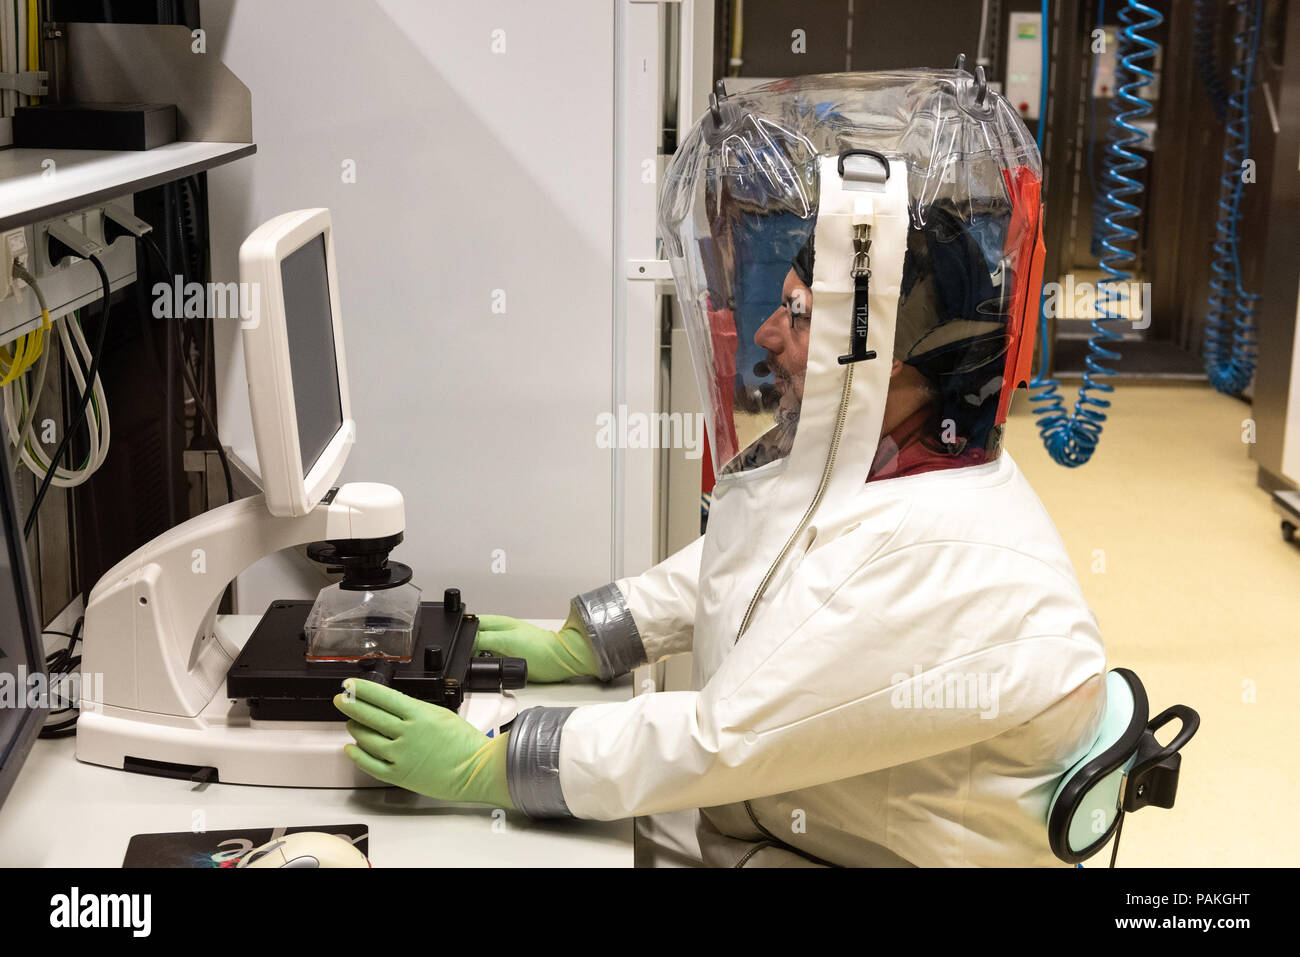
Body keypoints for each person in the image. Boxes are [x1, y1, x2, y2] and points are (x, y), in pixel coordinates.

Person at [334, 70, 1107, 867]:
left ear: (894, 365)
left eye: (801, 316)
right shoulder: (892, 467)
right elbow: (780, 555)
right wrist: (597, 635)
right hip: (794, 821)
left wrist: (494, 760)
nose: (768, 335)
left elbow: (724, 735)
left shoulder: (948, 563)